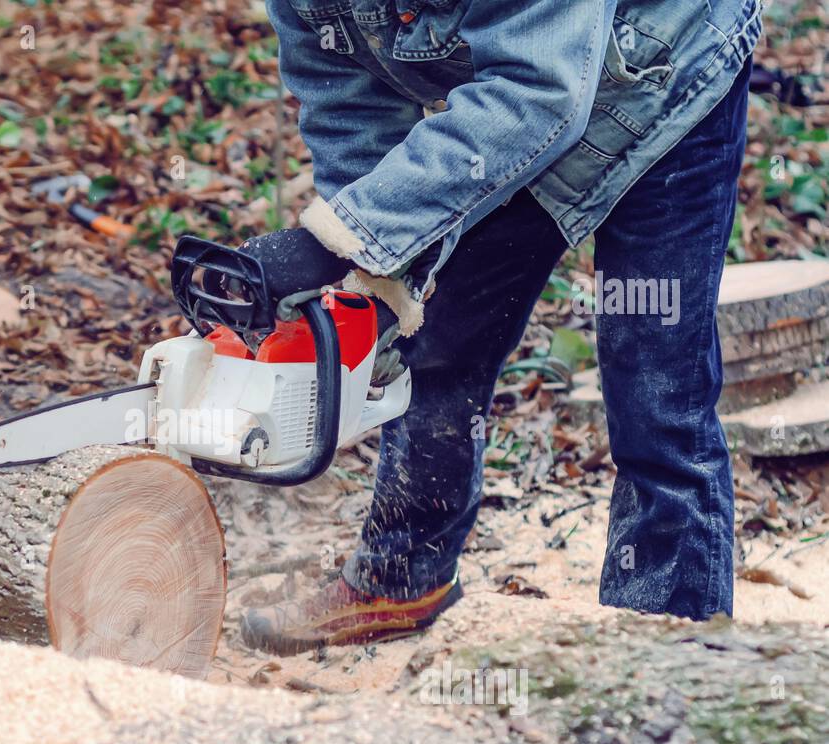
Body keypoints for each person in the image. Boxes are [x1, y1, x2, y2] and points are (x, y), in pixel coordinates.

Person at [239, 0, 763, 655]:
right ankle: (401, 577)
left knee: (656, 382)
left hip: (665, 63)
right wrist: (364, 256)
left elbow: (540, 90)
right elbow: (348, 107)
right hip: (524, 91)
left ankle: (667, 646)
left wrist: (350, 239)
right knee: (439, 332)